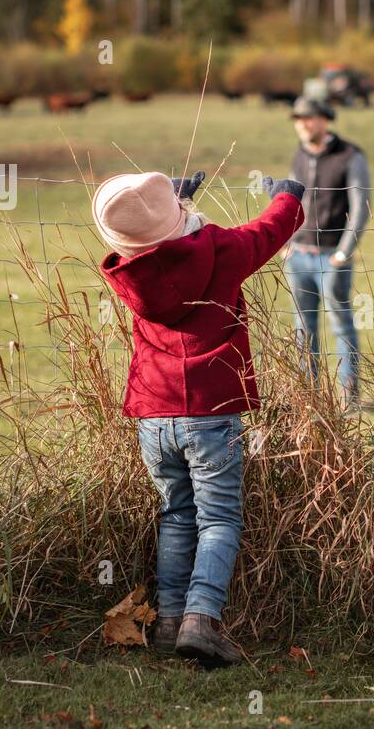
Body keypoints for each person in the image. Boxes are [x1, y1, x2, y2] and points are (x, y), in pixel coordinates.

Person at [95, 168, 305, 667]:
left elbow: (157, 249)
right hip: (210, 413)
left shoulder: (127, 269)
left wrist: (172, 205)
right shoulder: (221, 249)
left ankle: (168, 621)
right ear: (178, 221)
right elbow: (268, 232)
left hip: (153, 415)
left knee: (177, 514)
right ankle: (201, 619)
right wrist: (288, 196)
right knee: (218, 516)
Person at [283, 97, 371, 403]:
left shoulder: (350, 156)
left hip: (332, 257)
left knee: (341, 325)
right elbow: (290, 204)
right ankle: (311, 399)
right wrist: (286, 244)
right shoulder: (299, 156)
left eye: (309, 118)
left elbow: (361, 208)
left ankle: (349, 398)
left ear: (325, 120)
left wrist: (342, 254)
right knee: (302, 330)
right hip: (298, 258)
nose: (303, 124)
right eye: (298, 119)